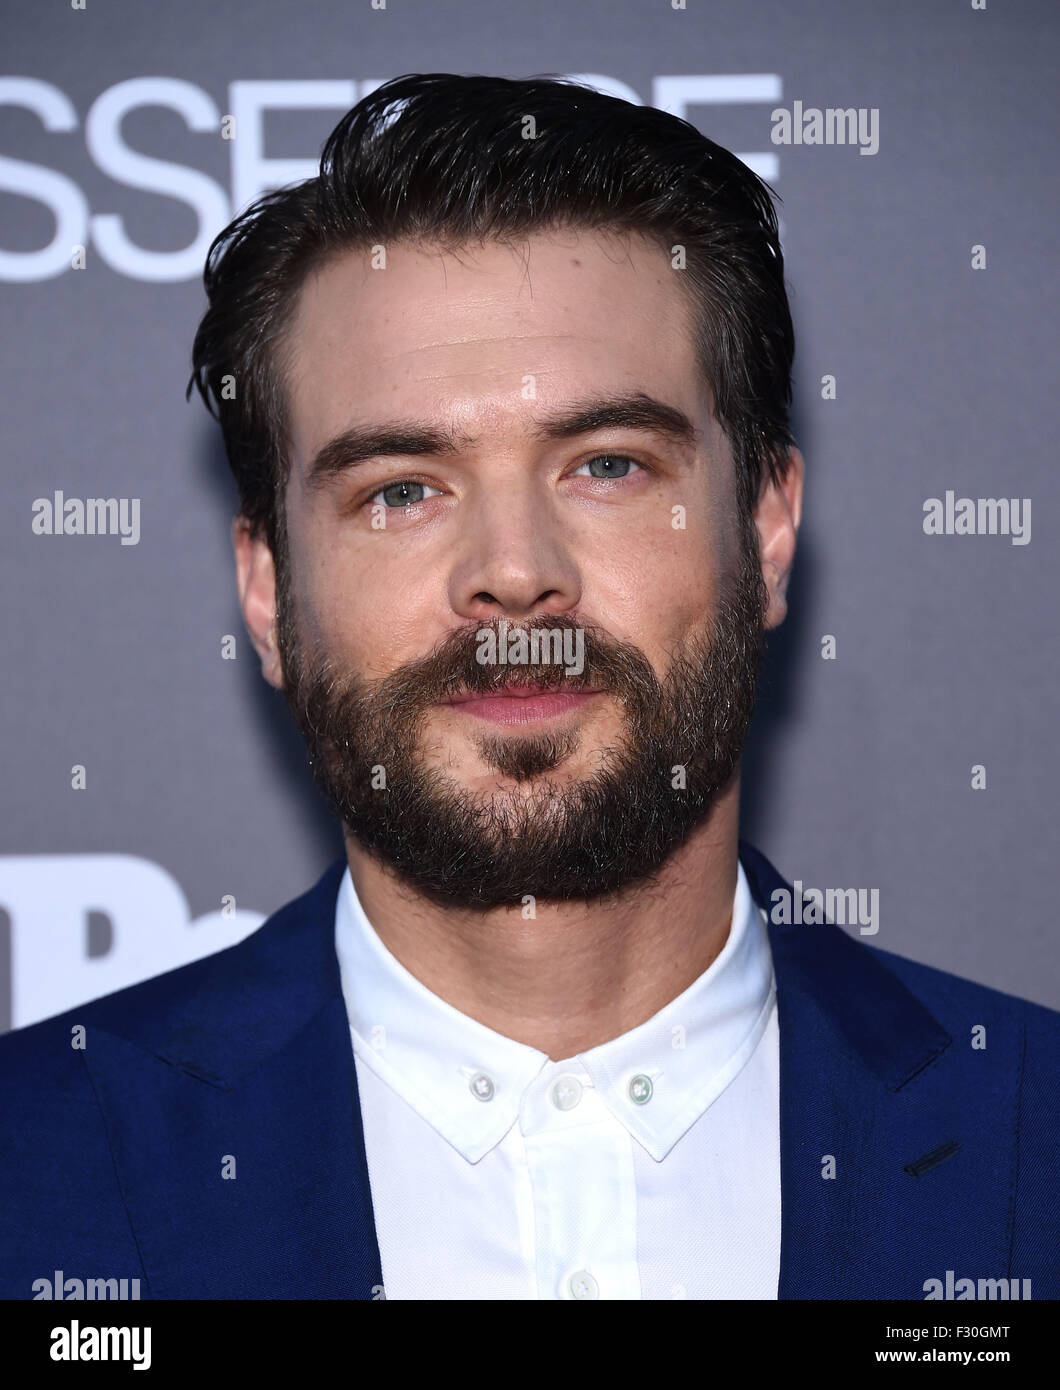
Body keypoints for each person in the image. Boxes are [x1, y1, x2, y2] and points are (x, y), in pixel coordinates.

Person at [1, 73, 1056, 1301]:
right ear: (265, 587)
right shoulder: (31, 1170)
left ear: (766, 528)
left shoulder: (1029, 1138)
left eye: (606, 465)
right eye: (399, 488)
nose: (513, 576)